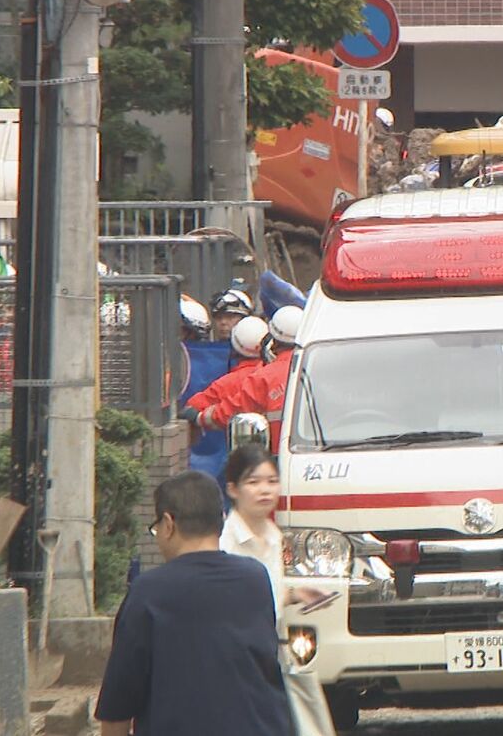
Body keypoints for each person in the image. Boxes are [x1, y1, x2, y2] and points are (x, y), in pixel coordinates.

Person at [95, 470, 292, 735]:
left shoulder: (149, 591)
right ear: (221, 520)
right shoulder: (255, 578)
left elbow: (118, 707)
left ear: (168, 524)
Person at [221, 445, 337, 736]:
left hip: (271, 658)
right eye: (253, 482)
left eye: (272, 481)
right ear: (232, 489)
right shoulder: (225, 542)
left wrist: (295, 594)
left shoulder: (273, 536)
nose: (265, 490)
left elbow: (267, 599)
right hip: (236, 662)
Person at [184, 305, 303, 454]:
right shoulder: (317, 368)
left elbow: (233, 409)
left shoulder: (264, 377)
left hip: (277, 457)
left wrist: (201, 418)